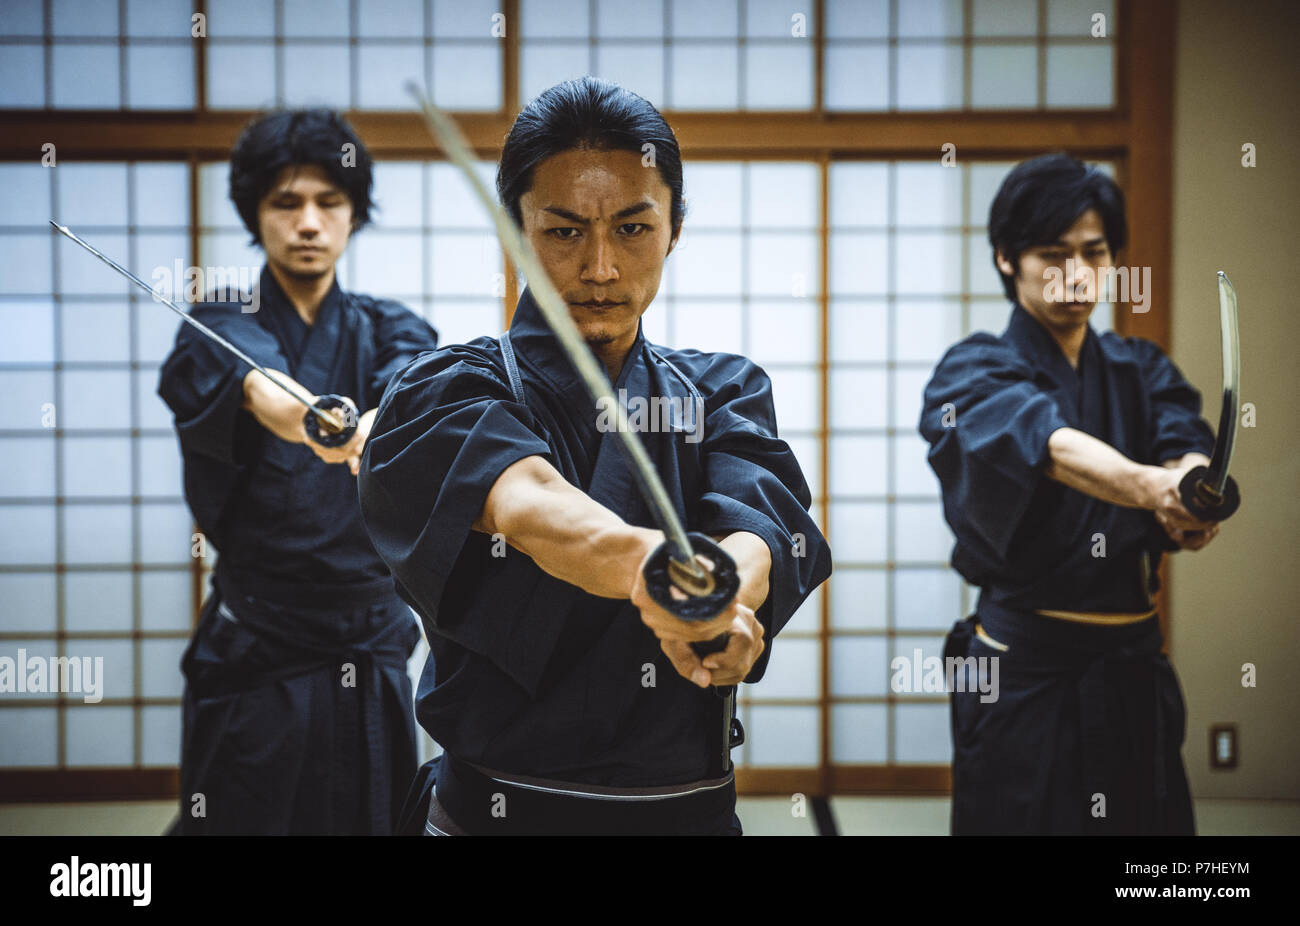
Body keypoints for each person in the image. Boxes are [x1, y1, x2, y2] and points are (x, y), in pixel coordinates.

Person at [358, 77, 832, 836]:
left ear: (675, 228)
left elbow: (765, 525)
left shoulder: (721, 390)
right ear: (516, 233)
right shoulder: (447, 388)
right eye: (565, 231)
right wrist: (662, 577)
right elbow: (534, 509)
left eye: (634, 229)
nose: (602, 267)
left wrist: (722, 593)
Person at [920, 152, 1231, 835]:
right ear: (1008, 259)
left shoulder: (1140, 366)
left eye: (1094, 253)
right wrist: (1154, 488)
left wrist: (1190, 492)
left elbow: (1183, 437)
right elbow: (1044, 442)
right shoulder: (973, 369)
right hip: (1020, 669)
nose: (1076, 274)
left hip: (1131, 665)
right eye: (1051, 253)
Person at [158, 109, 440, 834]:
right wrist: (318, 419)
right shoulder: (219, 320)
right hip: (260, 640)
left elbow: (408, 385)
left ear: (353, 214)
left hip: (369, 637)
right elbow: (260, 385)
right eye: (286, 203)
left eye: (329, 202)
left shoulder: (392, 327)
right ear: (256, 213)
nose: (308, 222)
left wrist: (381, 426)